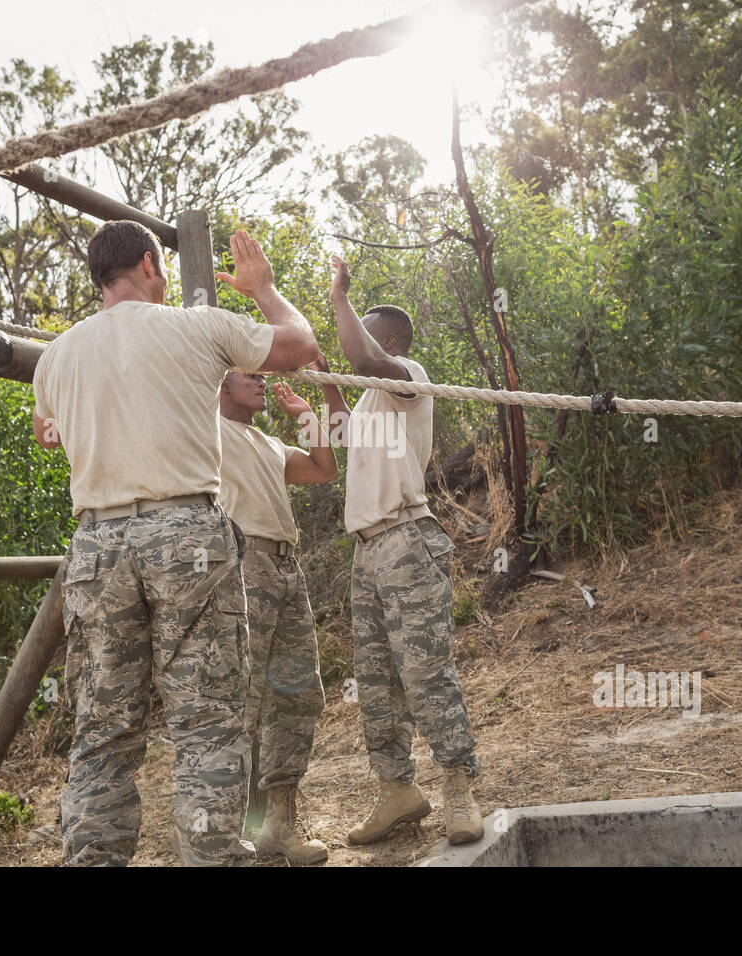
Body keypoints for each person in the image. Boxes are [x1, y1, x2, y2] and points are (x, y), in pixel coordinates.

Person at [31, 221, 318, 866]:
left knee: (103, 732)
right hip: (186, 533)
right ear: (148, 264)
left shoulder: (58, 355)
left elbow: (44, 427)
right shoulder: (197, 325)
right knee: (207, 721)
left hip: (97, 541)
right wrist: (264, 290)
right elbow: (301, 346)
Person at [326, 255, 484, 847]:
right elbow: (343, 436)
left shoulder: (407, 376)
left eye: (362, 329)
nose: (353, 342)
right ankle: (398, 790)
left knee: (424, 671)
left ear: (388, 340)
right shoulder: (373, 400)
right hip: (367, 551)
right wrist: (327, 386)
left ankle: (459, 786)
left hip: (406, 541)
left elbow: (363, 357)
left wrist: (340, 298)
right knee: (375, 680)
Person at [217, 360, 345, 864]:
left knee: (297, 694)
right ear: (219, 380)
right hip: (242, 564)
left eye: (262, 374)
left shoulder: (267, 444)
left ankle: (280, 825)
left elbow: (324, 469)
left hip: (287, 568)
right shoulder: (206, 428)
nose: (262, 380)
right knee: (241, 699)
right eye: (248, 373)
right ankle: (224, 835)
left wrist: (307, 417)